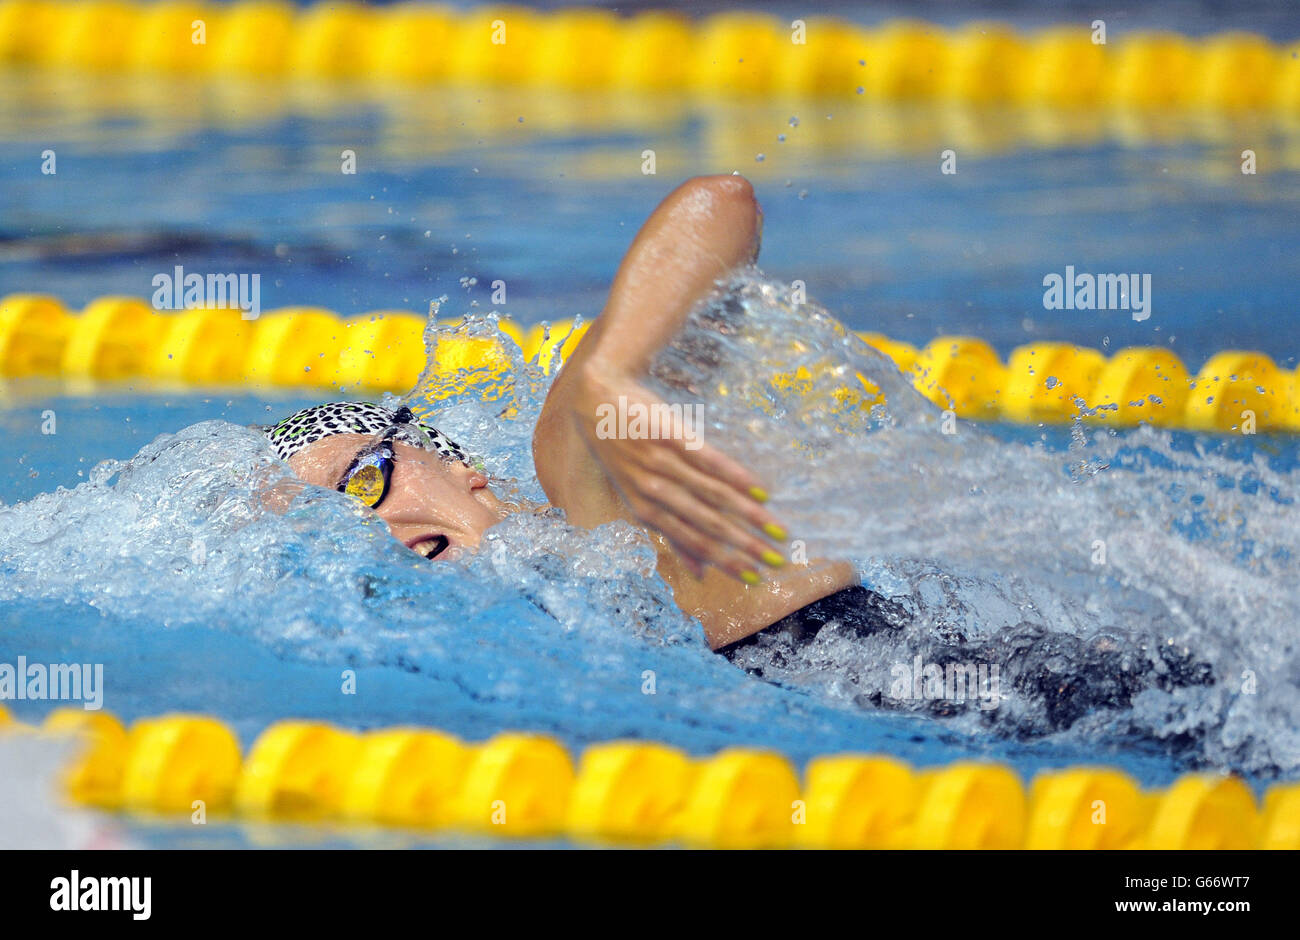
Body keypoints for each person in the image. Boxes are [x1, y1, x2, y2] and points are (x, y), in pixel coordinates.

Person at [267, 175, 865, 654]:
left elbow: (720, 205)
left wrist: (615, 373)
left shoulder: (588, 497)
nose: (366, 530)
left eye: (364, 482)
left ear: (458, 466)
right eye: (328, 530)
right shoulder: (532, 634)